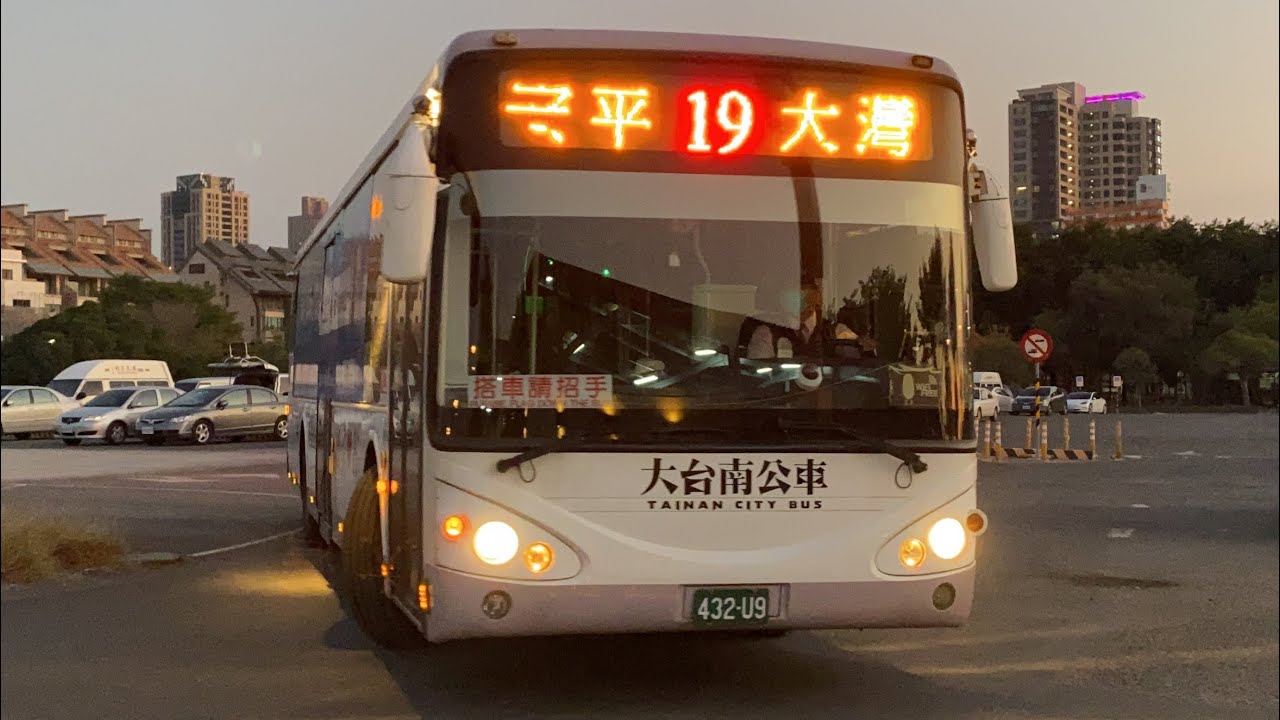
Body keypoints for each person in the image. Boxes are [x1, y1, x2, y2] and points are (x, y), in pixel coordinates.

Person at [745, 281, 862, 360]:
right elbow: (758, 377)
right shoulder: (767, 333)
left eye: (806, 297)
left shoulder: (836, 332)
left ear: (818, 301)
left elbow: (860, 367)